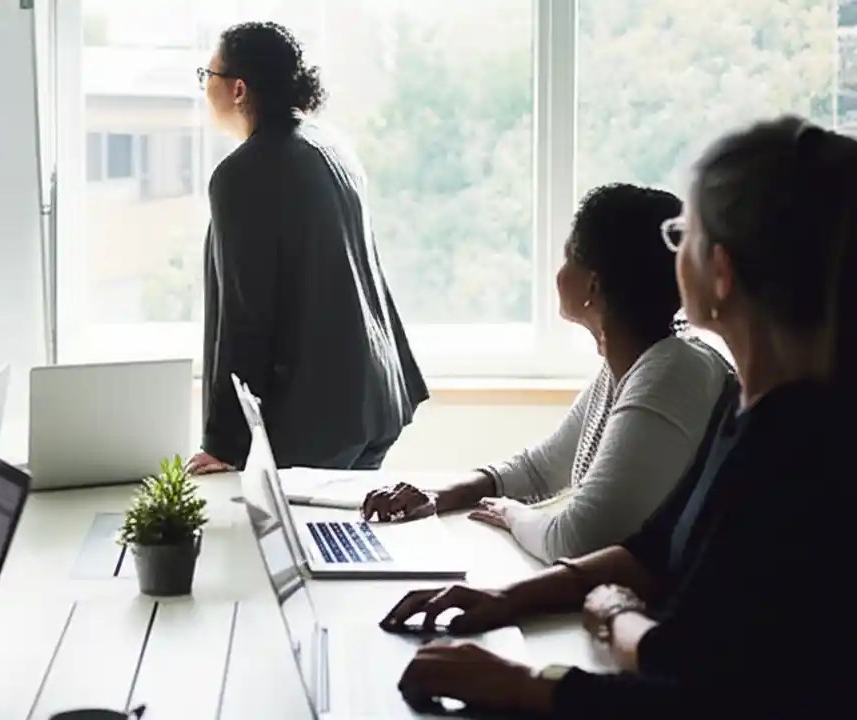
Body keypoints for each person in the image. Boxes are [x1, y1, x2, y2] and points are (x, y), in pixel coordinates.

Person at [380, 116, 853, 718]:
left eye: (684, 235)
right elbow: (651, 552)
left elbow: (694, 684)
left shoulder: (799, 449)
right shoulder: (755, 415)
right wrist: (507, 597)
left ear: (721, 273)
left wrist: (543, 671)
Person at [361, 184, 734, 563]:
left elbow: (576, 541)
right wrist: (438, 496)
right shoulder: (635, 363)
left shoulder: (670, 373)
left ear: (593, 284)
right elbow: (540, 470)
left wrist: (509, 512)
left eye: (567, 256)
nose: (557, 273)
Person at [188, 21, 427, 475]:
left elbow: (247, 315)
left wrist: (225, 441)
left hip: (315, 423)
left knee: (277, 544)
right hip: (376, 401)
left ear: (238, 89)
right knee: (338, 543)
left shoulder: (245, 173)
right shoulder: (331, 147)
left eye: (209, 75)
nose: (205, 88)